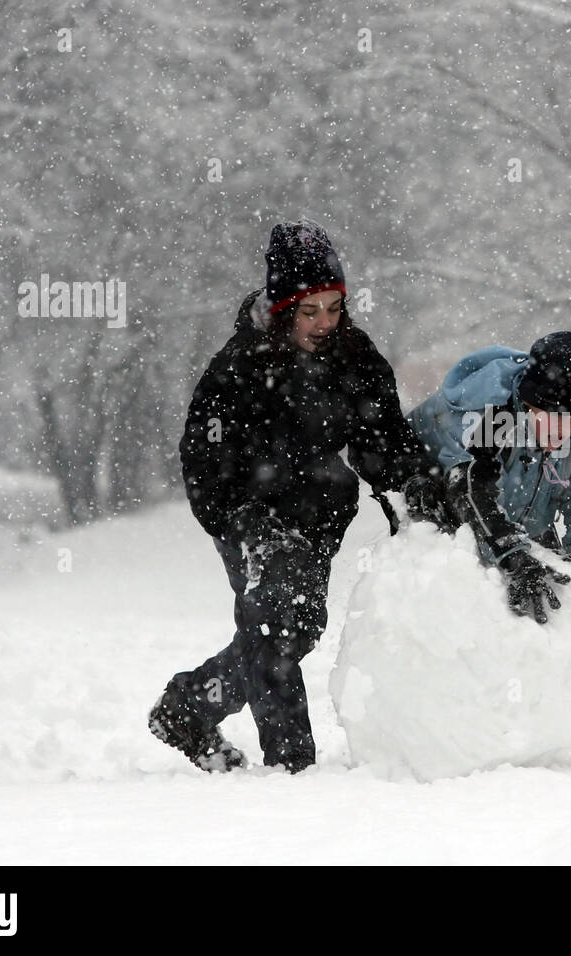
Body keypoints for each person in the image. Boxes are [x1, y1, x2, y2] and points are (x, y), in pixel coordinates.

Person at [149, 219, 443, 774]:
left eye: (334, 307)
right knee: (278, 625)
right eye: (310, 311)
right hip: (249, 517)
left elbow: (380, 439)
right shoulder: (238, 367)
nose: (325, 322)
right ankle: (293, 769)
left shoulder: (354, 357)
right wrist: (242, 519)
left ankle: (189, 705)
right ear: (284, 309)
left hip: (318, 515)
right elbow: (203, 459)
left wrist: (414, 490)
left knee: (297, 630)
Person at [407, 331, 571, 624]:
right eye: (557, 421)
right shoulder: (490, 413)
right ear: (531, 403)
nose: (566, 432)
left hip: (525, 525)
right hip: (451, 525)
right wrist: (513, 557)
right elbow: (471, 491)